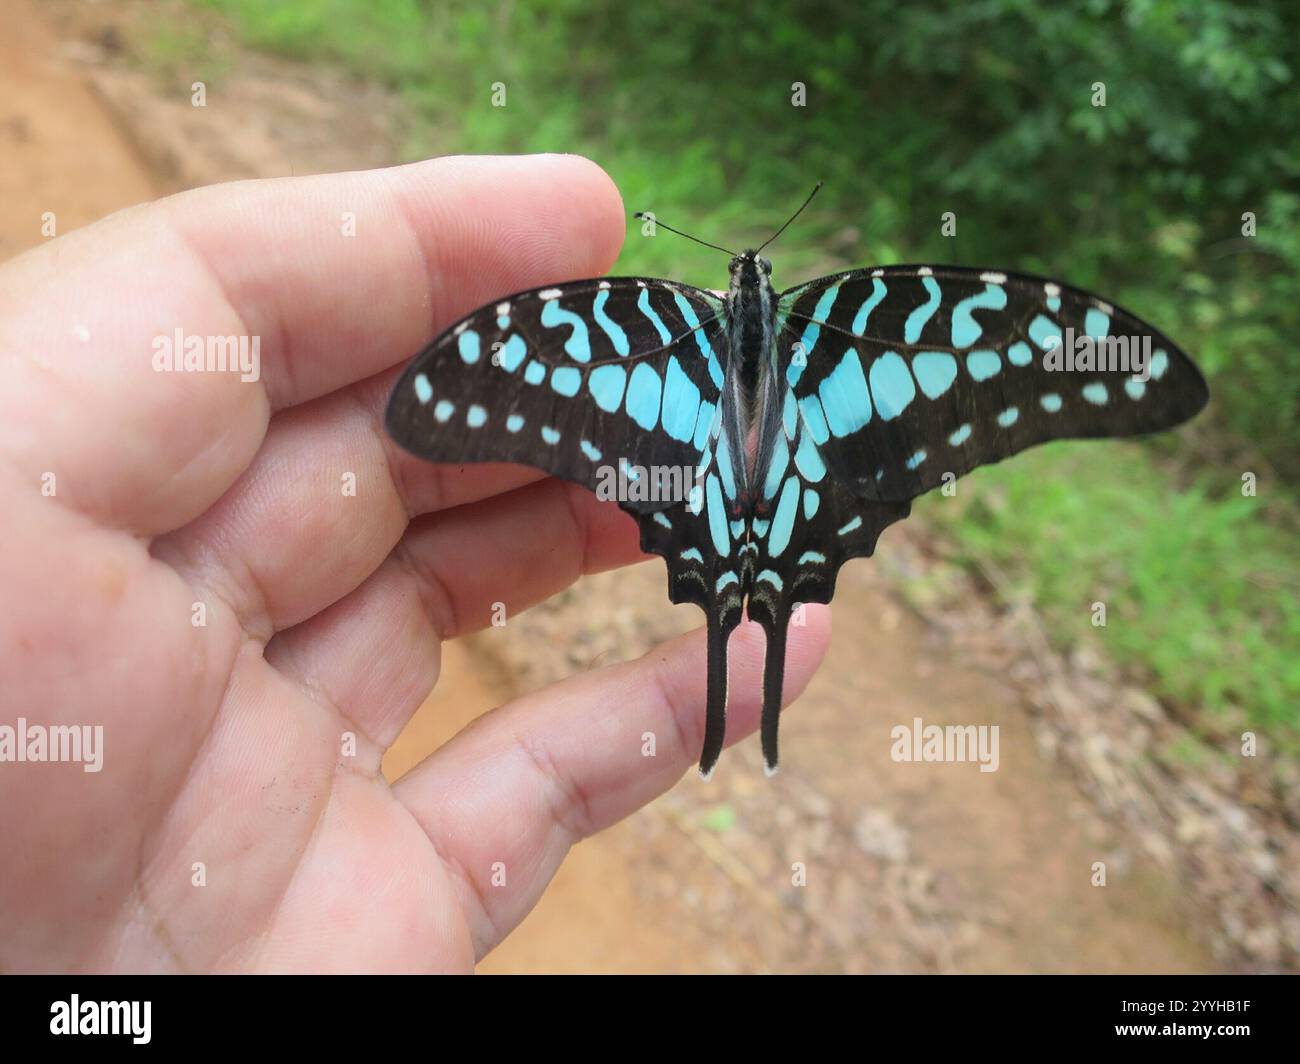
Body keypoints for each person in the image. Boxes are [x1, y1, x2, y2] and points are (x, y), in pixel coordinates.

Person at [0, 154, 831, 972]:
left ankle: (740, 715)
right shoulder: (831, 325)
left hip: (705, 458)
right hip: (787, 461)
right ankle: (747, 720)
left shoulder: (647, 322)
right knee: (747, 583)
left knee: (734, 597)